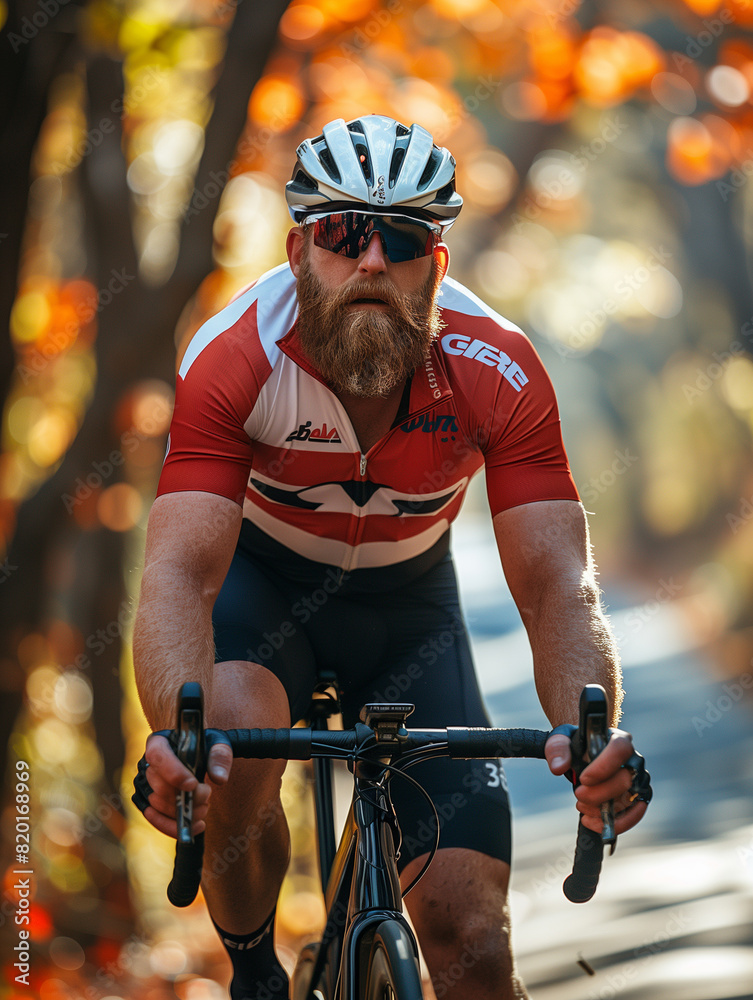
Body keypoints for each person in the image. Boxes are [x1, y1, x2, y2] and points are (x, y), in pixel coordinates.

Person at [131, 114, 650, 1000]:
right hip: (264, 600)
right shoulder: (235, 357)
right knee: (230, 731)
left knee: (473, 943)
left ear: (436, 265)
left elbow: (557, 585)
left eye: (403, 235)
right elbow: (179, 572)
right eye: (341, 232)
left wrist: (592, 735)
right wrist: (179, 741)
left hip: (412, 612)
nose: (371, 259)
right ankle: (254, 973)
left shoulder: (499, 368)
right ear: (301, 252)